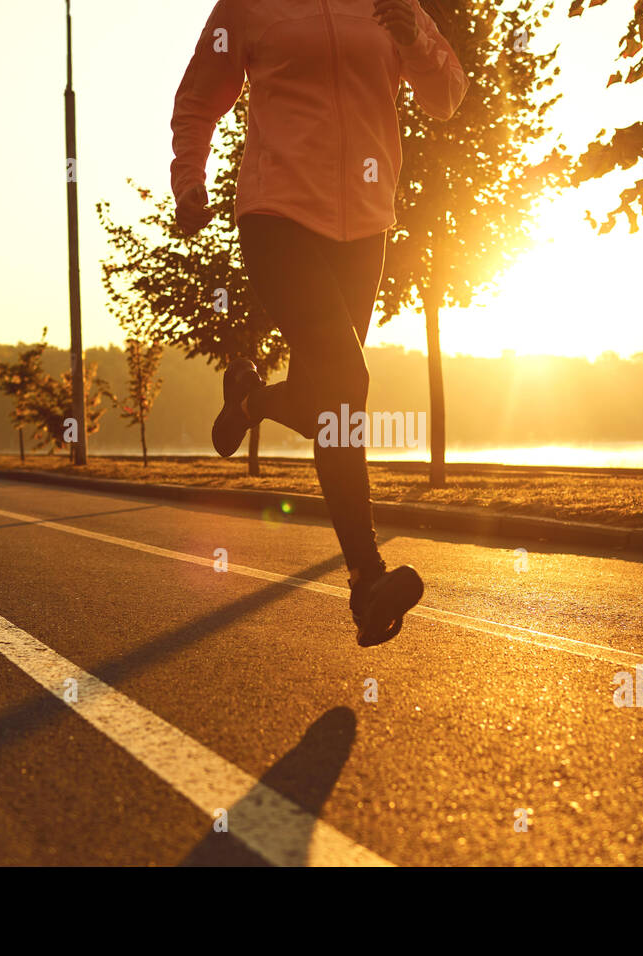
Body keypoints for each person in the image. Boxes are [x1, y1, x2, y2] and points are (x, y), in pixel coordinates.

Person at [172, 0, 467, 645]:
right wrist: (188, 179)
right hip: (276, 217)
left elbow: (446, 96)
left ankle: (251, 398)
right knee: (346, 382)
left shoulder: (390, 4)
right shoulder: (249, 6)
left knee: (324, 403)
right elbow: (198, 99)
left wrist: (414, 36)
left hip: (364, 230)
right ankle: (366, 579)